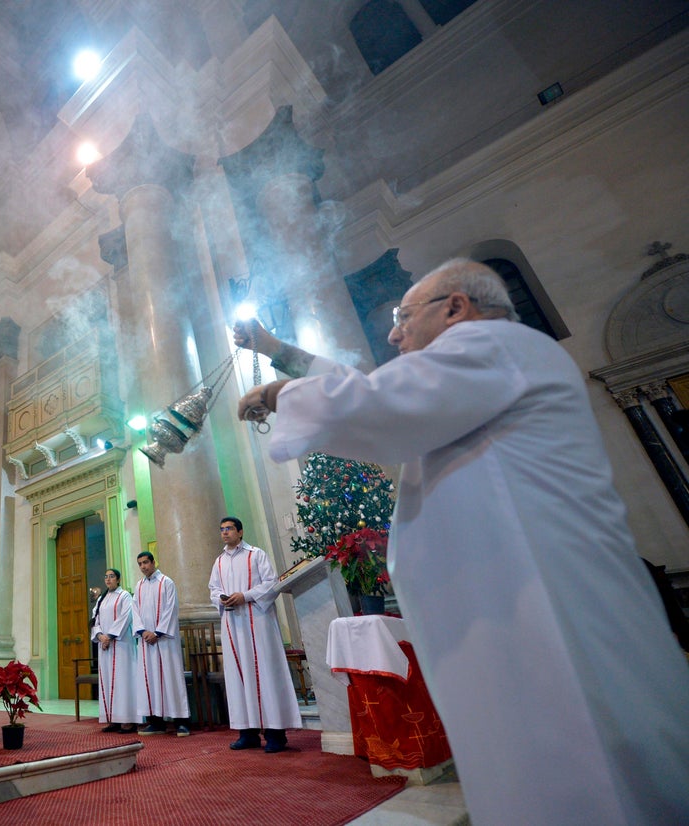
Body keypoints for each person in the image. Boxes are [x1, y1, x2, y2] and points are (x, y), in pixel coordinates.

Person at [235, 259, 689, 825]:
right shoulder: (473, 371)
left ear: (456, 308)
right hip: (507, 600)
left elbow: (377, 402)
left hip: (540, 601)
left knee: (585, 773)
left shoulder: (493, 345)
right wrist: (277, 349)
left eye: (403, 318)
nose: (393, 335)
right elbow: (370, 390)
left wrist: (278, 391)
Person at [209, 516, 302, 753]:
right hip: (233, 624)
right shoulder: (219, 561)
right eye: (222, 529)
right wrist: (221, 598)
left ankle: (275, 734)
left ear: (240, 532)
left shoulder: (256, 555)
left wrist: (245, 596)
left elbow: (271, 584)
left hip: (258, 624)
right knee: (238, 676)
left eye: (229, 529)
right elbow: (213, 589)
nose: (225, 532)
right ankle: (247, 733)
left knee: (265, 674)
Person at [131, 551, 191, 736]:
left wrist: (157, 632)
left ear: (153, 562)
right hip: (146, 641)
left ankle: (181, 722)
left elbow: (171, 609)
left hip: (164, 641)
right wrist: (143, 631)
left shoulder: (166, 582)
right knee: (150, 680)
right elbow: (135, 611)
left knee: (171, 678)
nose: (143, 567)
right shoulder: (139, 586)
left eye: (146, 562)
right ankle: (156, 722)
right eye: (140, 564)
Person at [91, 568, 139, 733]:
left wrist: (110, 636)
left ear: (118, 579)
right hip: (105, 646)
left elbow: (126, 617)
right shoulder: (102, 599)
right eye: (106, 576)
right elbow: (95, 619)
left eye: (111, 576)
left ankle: (127, 720)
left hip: (121, 645)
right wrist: (100, 636)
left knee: (123, 680)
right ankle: (113, 719)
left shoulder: (124, 596)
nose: (108, 579)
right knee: (108, 680)